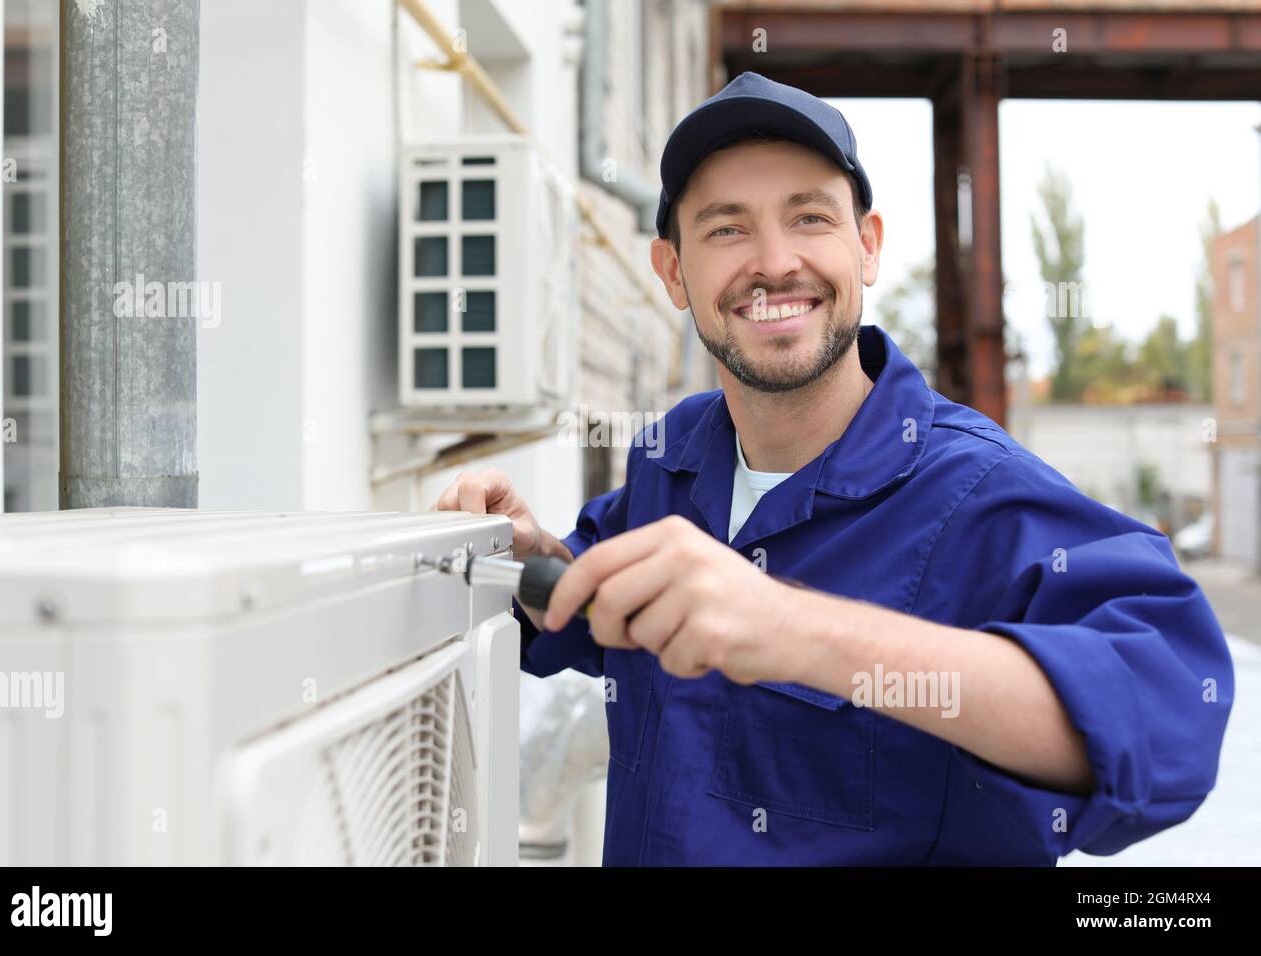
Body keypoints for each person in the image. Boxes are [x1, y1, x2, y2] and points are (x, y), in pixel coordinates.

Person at [434, 71, 1233, 866]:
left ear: (868, 245)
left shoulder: (976, 495)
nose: (775, 263)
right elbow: (607, 613)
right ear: (674, 273)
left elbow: (1171, 718)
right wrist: (536, 560)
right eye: (726, 229)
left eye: (810, 217)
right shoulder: (669, 462)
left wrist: (798, 630)